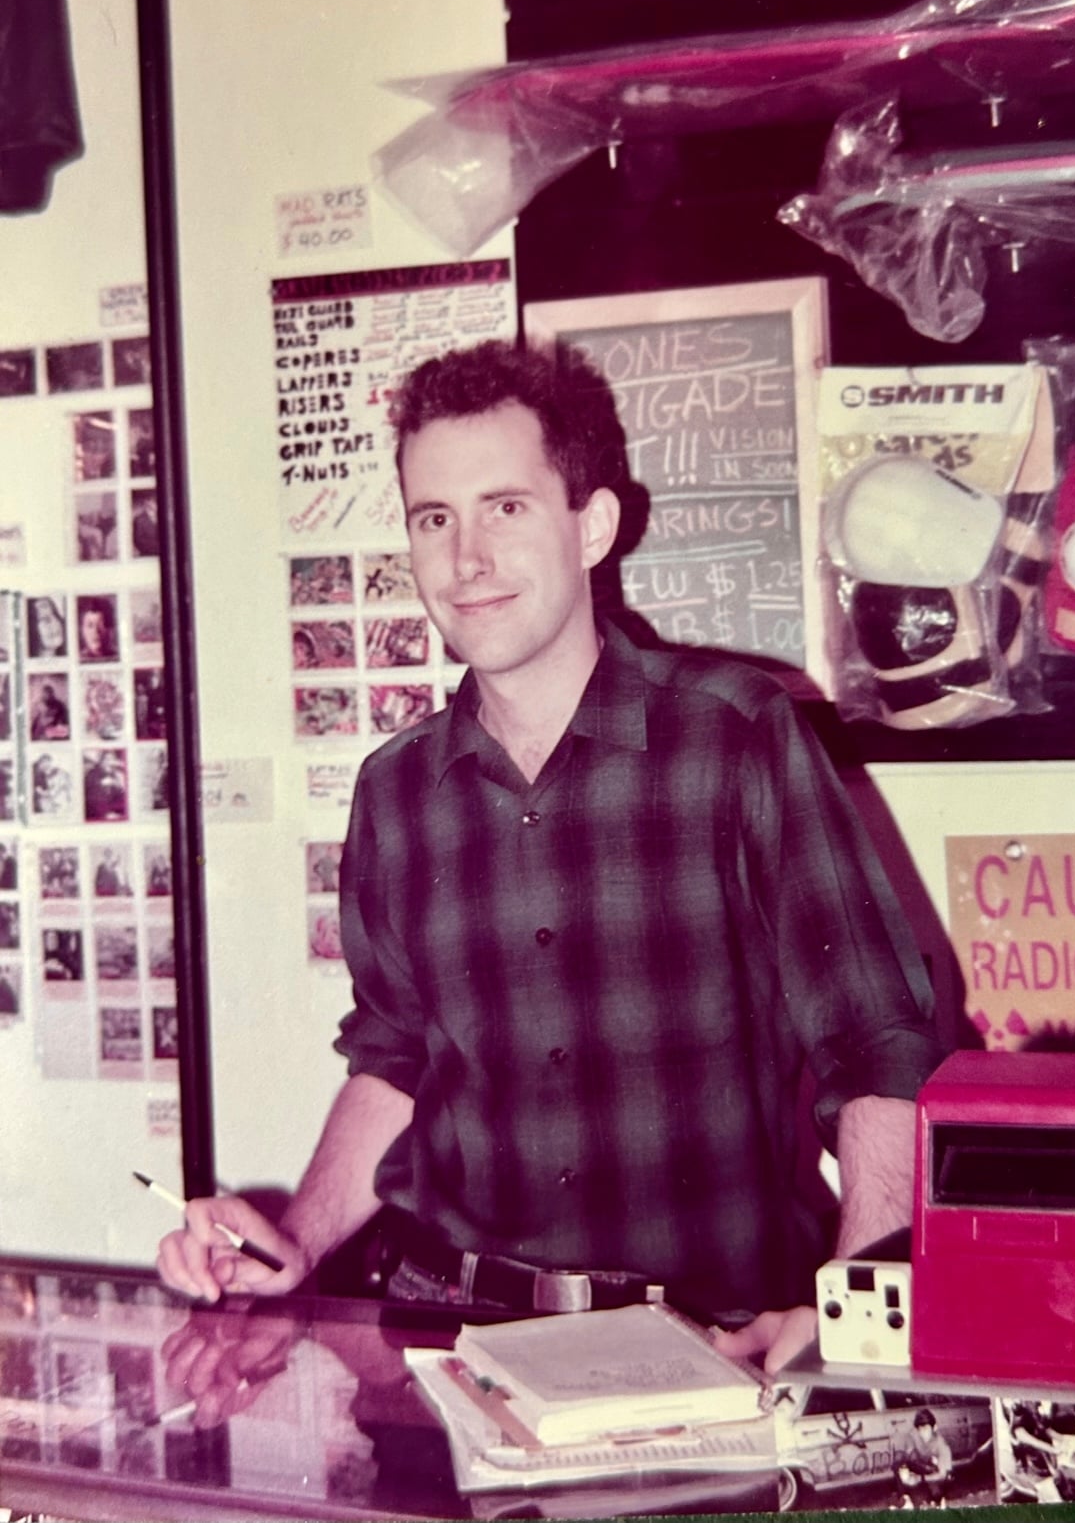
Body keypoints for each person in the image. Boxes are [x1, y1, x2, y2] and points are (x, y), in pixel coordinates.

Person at [158, 342, 945, 1373]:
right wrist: (296, 1239)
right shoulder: (394, 791)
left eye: (506, 508)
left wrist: (858, 1311)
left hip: (711, 1348)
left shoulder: (735, 734)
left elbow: (877, 1041)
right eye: (433, 518)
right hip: (447, 1340)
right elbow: (395, 1055)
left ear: (594, 524)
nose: (465, 558)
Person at [894, 1407, 953, 1508]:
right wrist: (905, 1471)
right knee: (898, 1464)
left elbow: (943, 1475)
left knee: (936, 1492)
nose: (923, 1433)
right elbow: (905, 1454)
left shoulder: (942, 1446)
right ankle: (904, 1499)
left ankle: (938, 1500)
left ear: (934, 1427)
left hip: (937, 1477)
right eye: (920, 1430)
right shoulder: (914, 1435)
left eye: (926, 1429)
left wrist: (920, 1479)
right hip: (923, 1469)